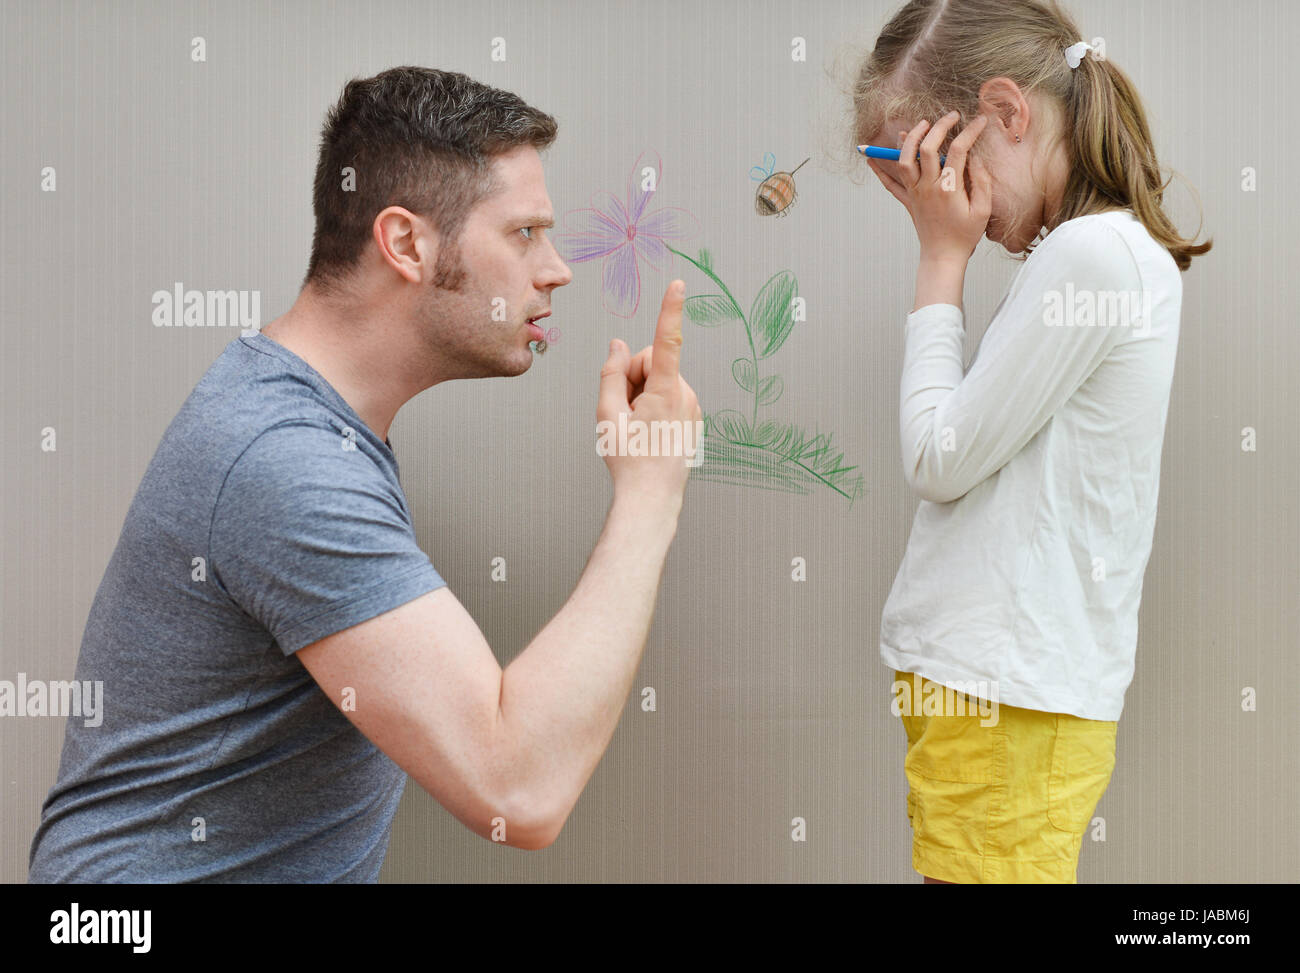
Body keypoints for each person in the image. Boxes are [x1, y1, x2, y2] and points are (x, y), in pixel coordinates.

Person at [28, 66, 701, 882]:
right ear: (407, 243)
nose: (556, 268)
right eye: (523, 233)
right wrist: (650, 492)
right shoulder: (285, 460)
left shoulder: (307, 423)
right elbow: (517, 788)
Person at [855, 0, 1210, 883]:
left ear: (1007, 112)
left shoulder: (1092, 257)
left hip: (1004, 698)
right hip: (994, 694)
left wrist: (941, 259)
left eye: (932, 164)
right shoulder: (1097, 254)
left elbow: (939, 460)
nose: (931, 199)